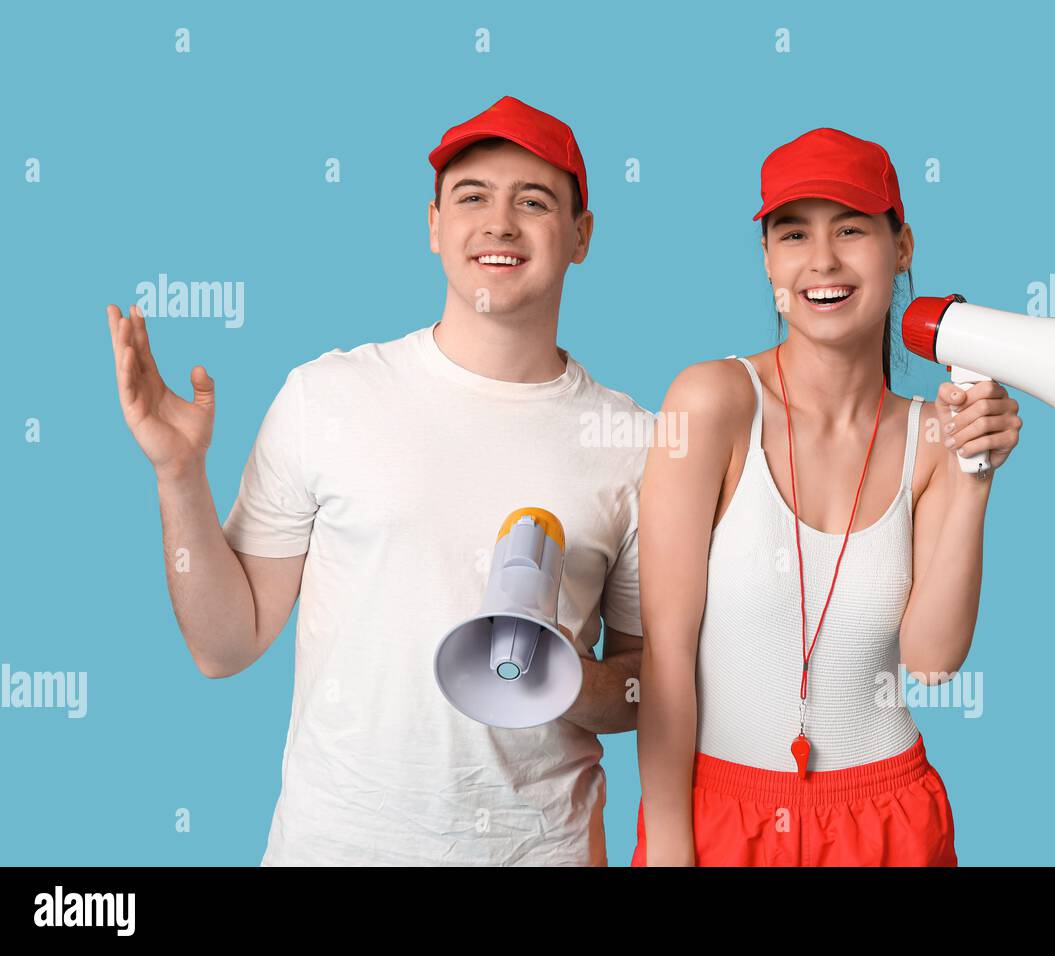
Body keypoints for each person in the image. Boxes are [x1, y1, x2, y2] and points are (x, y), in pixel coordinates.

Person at [106, 95, 651, 866]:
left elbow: (648, 687)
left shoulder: (631, 441)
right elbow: (223, 646)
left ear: (581, 236)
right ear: (434, 225)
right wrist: (178, 474)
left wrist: (563, 682)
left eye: (533, 201)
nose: (499, 223)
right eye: (472, 198)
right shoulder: (327, 397)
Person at [631, 127, 1022, 866]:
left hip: (888, 820)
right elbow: (667, 656)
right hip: (720, 817)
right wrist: (671, 850)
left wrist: (976, 476)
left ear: (901, 247)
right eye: (792, 234)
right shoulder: (711, 402)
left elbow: (932, 662)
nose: (822, 261)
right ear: (768, 261)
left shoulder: (933, 437)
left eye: (851, 229)